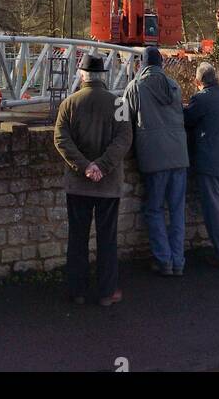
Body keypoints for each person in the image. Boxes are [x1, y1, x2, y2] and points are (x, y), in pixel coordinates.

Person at [53, 53, 132, 306]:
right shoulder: (118, 103)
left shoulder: (69, 103)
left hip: (78, 184)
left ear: (82, 74)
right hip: (108, 185)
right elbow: (124, 139)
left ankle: (77, 290)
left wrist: (85, 167)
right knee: (107, 238)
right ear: (103, 76)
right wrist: (103, 165)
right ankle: (107, 292)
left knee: (77, 238)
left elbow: (61, 139)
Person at [124, 46, 189, 276]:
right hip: (180, 154)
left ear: (141, 65)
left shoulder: (135, 87)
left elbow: (123, 120)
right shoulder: (175, 86)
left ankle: (164, 261)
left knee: (154, 209)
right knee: (177, 210)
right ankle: (178, 262)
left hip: (154, 156)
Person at [183, 61, 219, 268]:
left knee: (214, 210)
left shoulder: (200, 99)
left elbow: (187, 119)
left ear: (198, 81)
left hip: (210, 160)